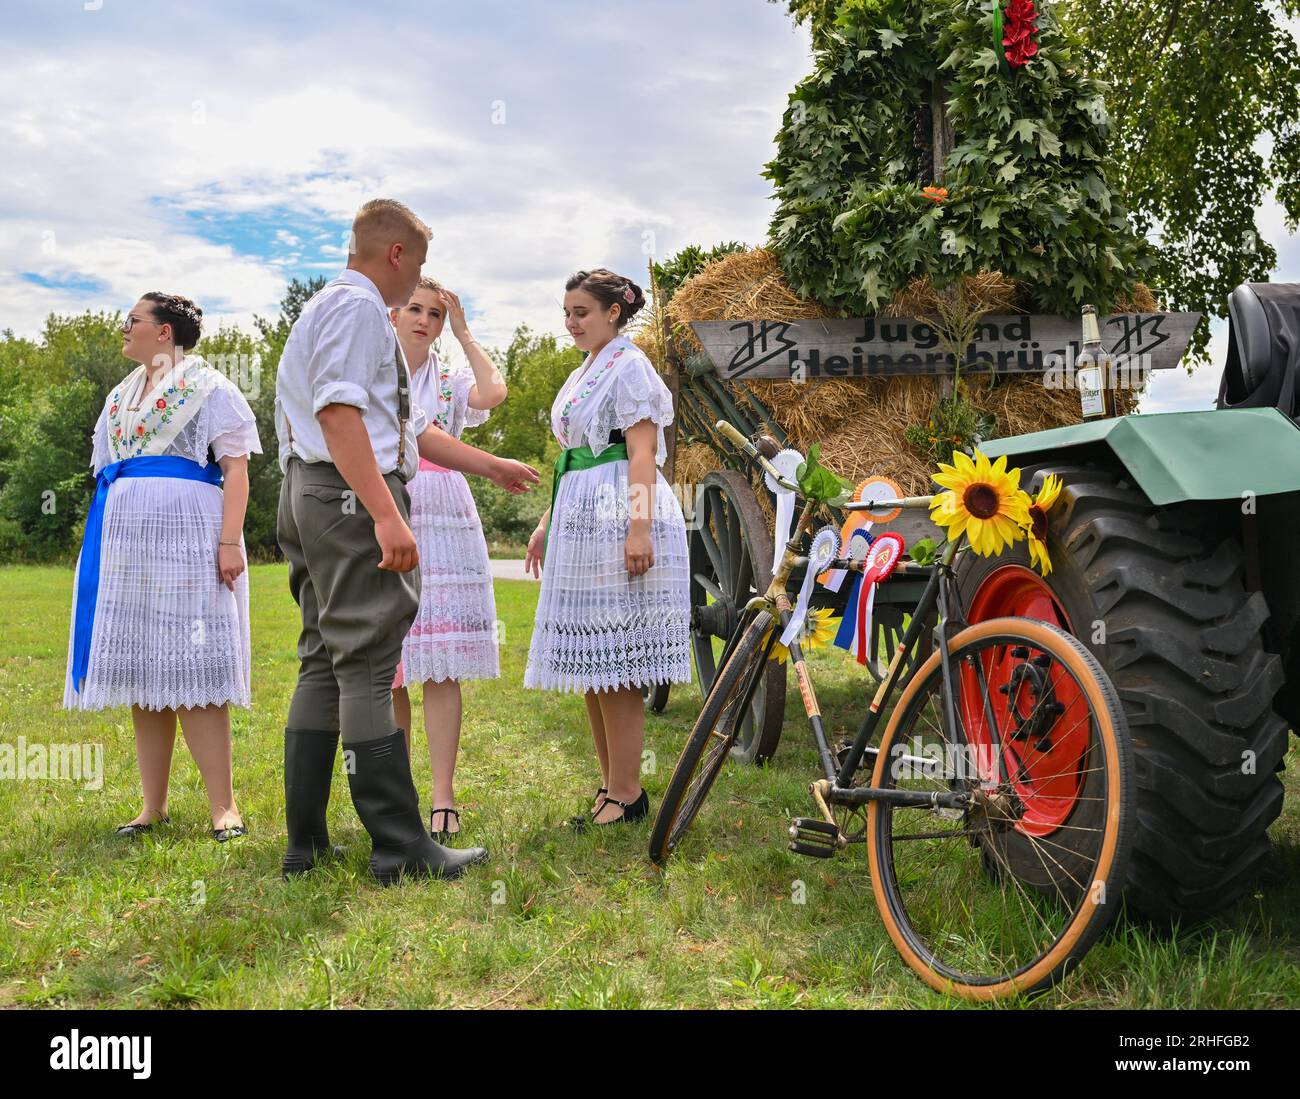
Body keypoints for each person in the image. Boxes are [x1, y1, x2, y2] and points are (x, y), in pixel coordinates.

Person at [275, 197, 538, 885]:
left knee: (321, 659)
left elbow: (378, 421)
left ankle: (305, 841)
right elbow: (338, 412)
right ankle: (397, 843)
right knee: (366, 661)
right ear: (397, 255)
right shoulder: (360, 308)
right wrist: (387, 512)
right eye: (416, 262)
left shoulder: (322, 305)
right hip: (345, 491)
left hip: (307, 488)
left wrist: (487, 464)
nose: (417, 281)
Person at [63, 292, 259, 842]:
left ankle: (224, 806)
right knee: (146, 668)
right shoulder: (120, 395)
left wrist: (228, 542)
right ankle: (154, 806)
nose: (124, 329)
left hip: (191, 535)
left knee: (192, 663)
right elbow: (109, 468)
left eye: (134, 321)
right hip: (126, 539)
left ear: (166, 333)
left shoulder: (211, 388)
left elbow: (236, 471)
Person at [524, 268, 691, 827]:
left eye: (582, 312)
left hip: (620, 509)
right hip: (580, 512)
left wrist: (638, 528)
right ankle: (613, 787)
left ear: (613, 313)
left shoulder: (630, 366)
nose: (571, 322)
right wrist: (548, 520)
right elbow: (573, 455)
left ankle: (627, 791)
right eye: (567, 312)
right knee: (594, 660)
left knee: (615, 657)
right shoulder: (584, 372)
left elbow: (642, 451)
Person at [390, 277, 506, 841]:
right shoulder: (373, 371)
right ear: (393, 314)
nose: (424, 320)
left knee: (439, 659)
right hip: (387, 504)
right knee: (391, 668)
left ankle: (443, 794)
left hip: (444, 510)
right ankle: (397, 793)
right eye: (415, 309)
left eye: (435, 314)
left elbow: (494, 392)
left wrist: (464, 331)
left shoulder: (449, 379)